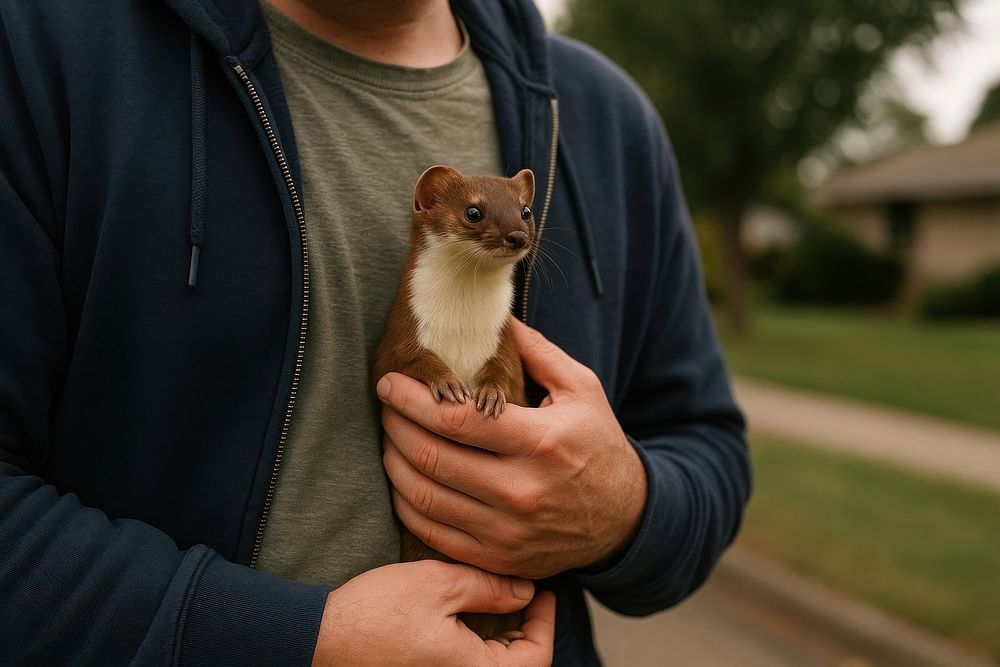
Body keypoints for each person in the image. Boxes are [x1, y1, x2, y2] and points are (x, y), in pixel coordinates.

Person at [0, 0, 750, 664]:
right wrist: (282, 639)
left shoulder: (608, 120)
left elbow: (708, 449)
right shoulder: (44, 46)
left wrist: (626, 507)